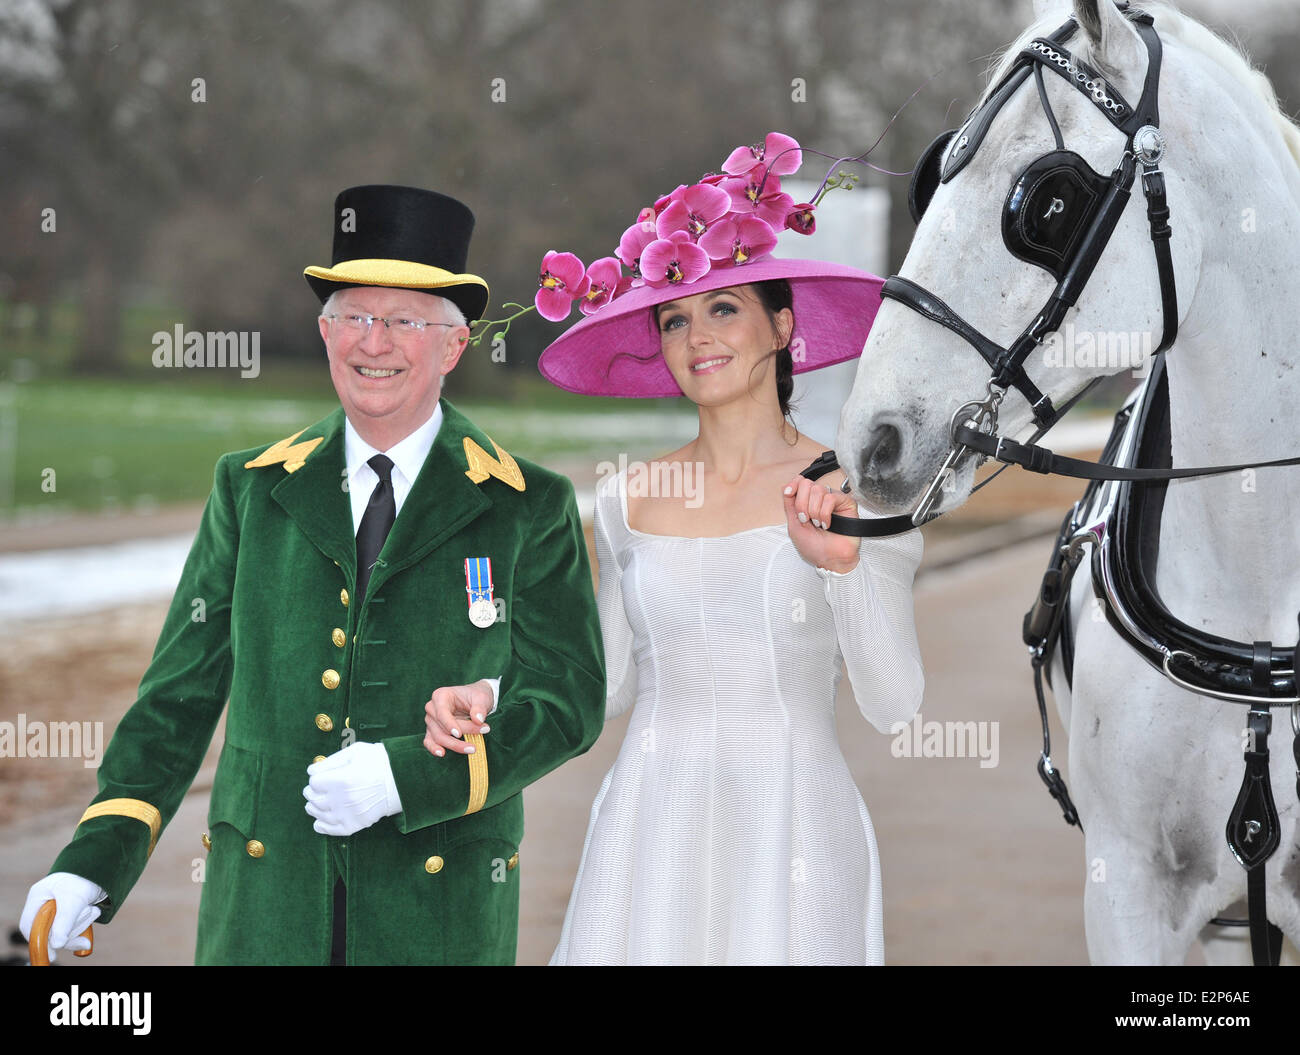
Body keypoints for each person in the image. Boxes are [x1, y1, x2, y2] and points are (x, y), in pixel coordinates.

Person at [18, 185, 605, 966]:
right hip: (264, 906)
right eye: (354, 316)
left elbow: (566, 701)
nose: (374, 342)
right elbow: (177, 696)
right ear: (325, 332)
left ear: (455, 345)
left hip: (437, 912)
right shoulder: (254, 488)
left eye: (404, 320)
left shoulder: (527, 504)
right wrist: (96, 856)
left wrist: (408, 779)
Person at [522, 138, 926, 964]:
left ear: (782, 326)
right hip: (648, 830)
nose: (696, 335)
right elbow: (600, 690)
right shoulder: (622, 499)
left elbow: (895, 704)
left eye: (724, 308)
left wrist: (843, 569)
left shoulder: (853, 491)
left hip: (795, 831)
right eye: (675, 316)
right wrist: (491, 684)